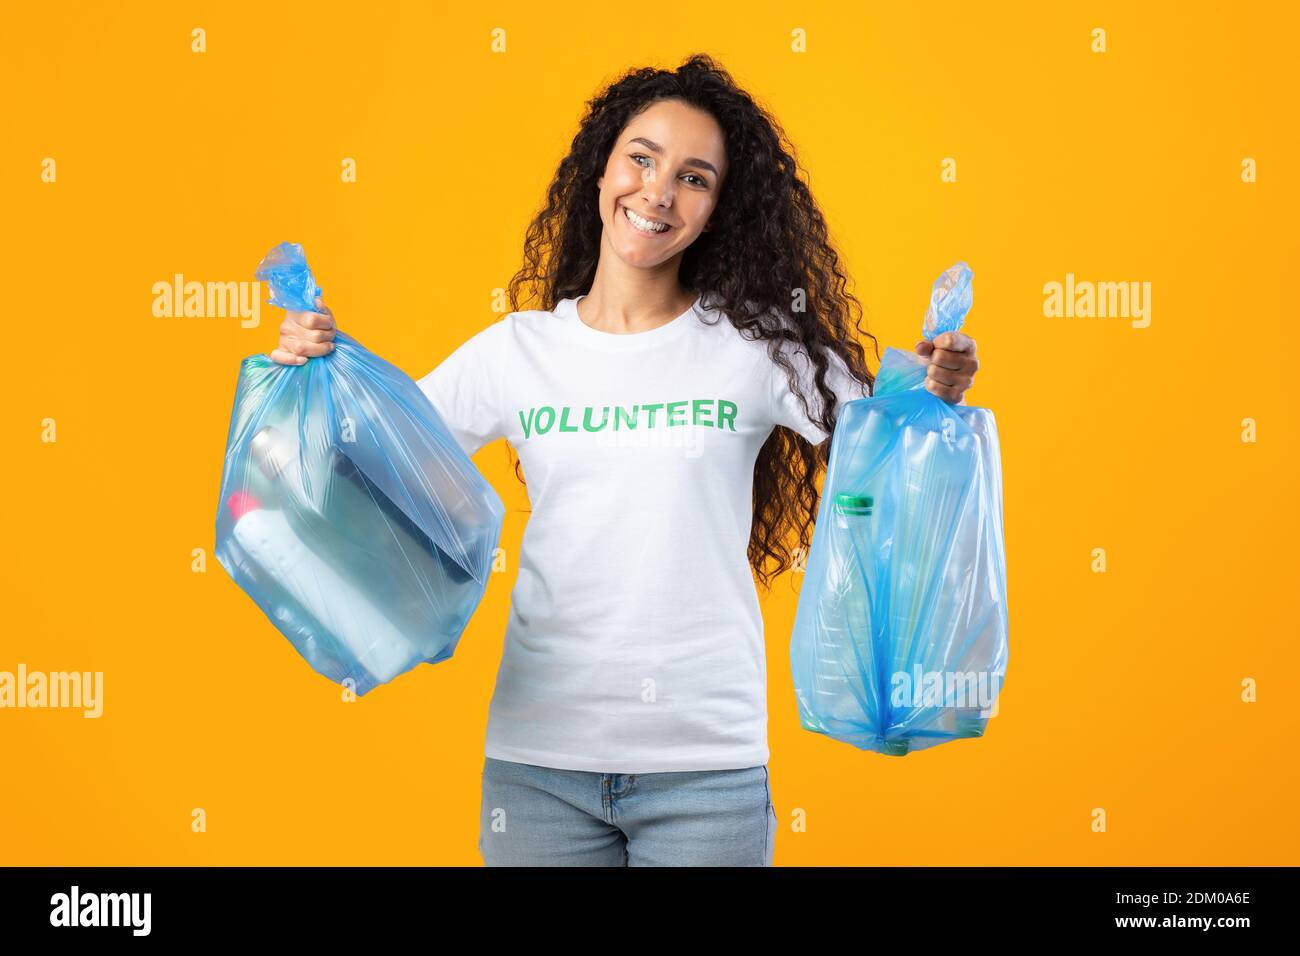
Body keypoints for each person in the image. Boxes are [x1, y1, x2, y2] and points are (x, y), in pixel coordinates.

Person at [270, 54, 980, 866]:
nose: (657, 192)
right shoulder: (518, 352)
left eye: (694, 178)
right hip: (538, 769)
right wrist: (313, 368)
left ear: (719, 211)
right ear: (601, 168)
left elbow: (888, 444)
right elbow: (370, 450)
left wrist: (938, 391)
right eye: (641, 159)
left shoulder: (756, 349)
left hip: (705, 775)